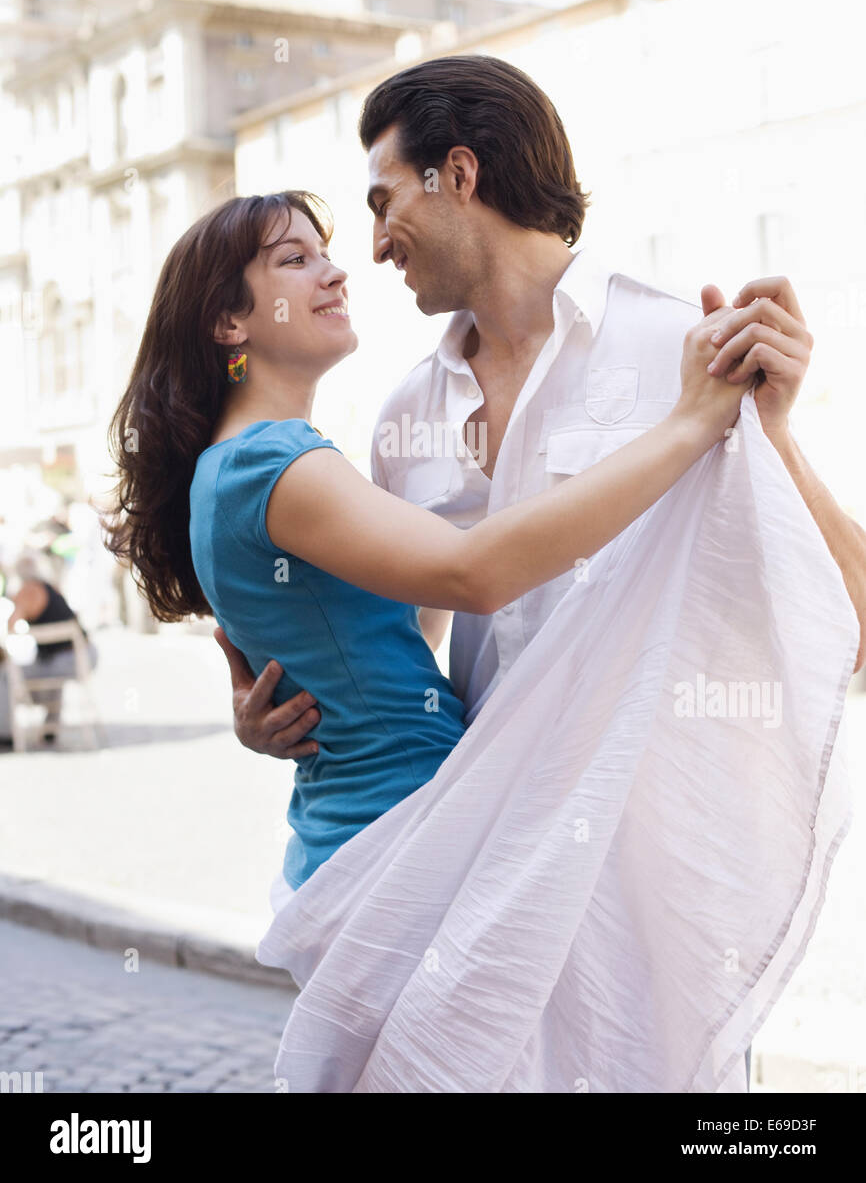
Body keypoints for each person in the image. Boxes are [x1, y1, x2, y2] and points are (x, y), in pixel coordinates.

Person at [218, 57, 866, 1093]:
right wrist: (291, 713)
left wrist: (771, 432)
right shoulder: (400, 417)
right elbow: (411, 644)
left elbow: (852, 622)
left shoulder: (676, 345)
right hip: (481, 903)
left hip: (644, 914)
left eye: (383, 203)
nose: (373, 242)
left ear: (457, 177)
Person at [105, 184, 751, 897]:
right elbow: (473, 575)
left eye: (327, 254)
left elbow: (407, 628)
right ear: (229, 321)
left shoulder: (238, 465)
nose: (338, 272)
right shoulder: (270, 464)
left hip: (370, 832)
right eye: (296, 259)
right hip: (399, 843)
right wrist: (689, 425)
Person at [9, 556, 98, 739]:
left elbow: (11, 626)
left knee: (9, 675)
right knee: (46, 666)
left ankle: (6, 732)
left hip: (69, 659)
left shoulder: (27, 592)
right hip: (87, 653)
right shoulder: (51, 587)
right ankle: (51, 726)